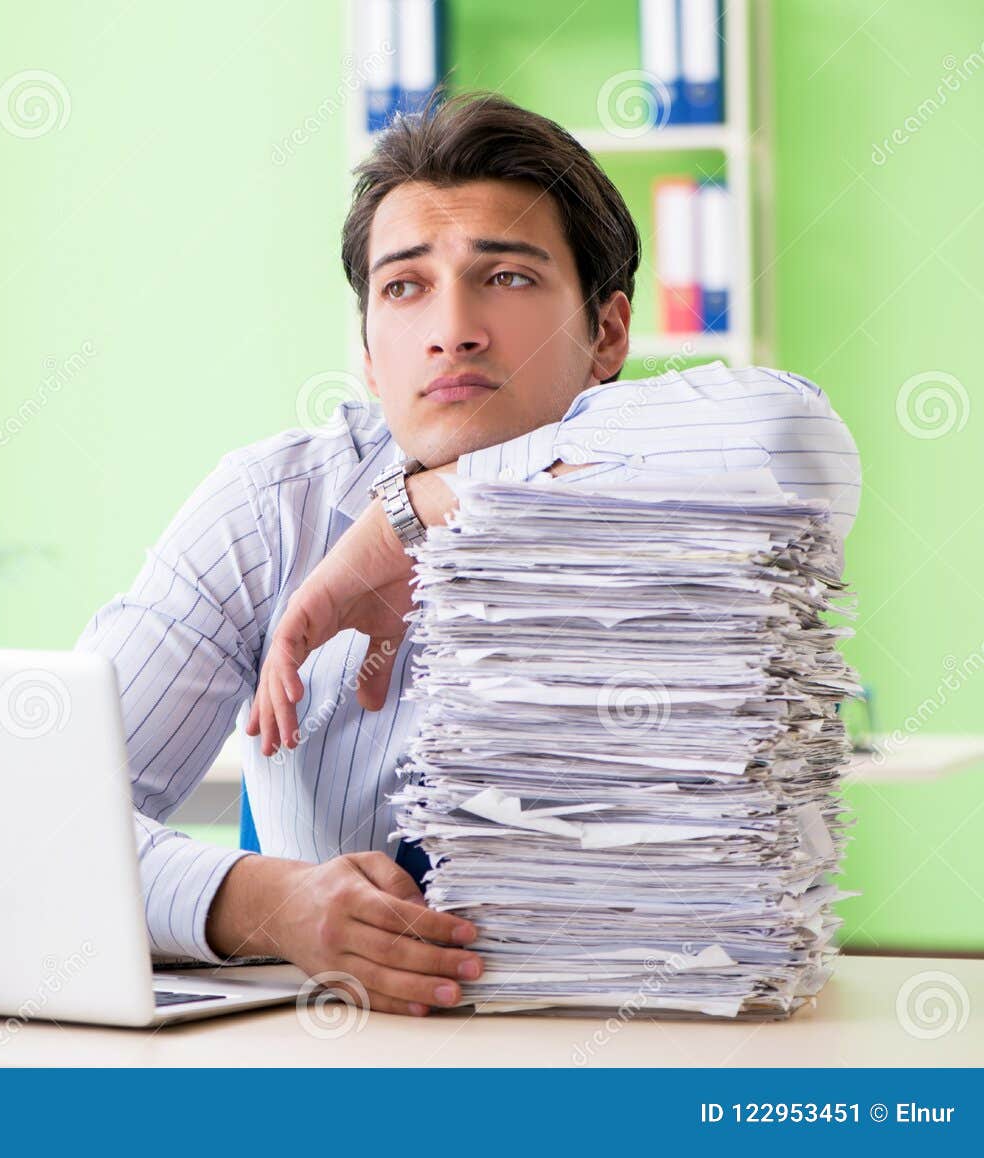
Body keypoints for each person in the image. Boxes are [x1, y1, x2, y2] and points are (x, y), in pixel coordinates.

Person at [72, 88, 861, 1018]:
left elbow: (791, 435)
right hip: (363, 1055)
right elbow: (46, 811)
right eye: (404, 286)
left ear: (607, 332)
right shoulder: (271, 511)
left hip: (671, 1039)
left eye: (508, 277)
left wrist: (409, 518)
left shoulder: (684, 462)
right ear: (368, 351)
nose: (453, 327)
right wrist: (269, 904)